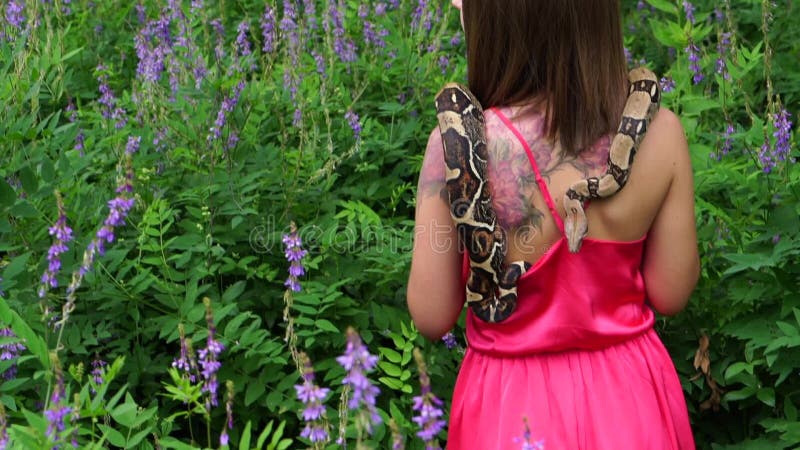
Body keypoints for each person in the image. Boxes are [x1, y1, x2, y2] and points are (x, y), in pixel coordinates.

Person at [406, 1, 700, 449]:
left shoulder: (454, 146)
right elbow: (671, 292)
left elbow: (431, 316)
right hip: (631, 403)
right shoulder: (663, 134)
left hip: (509, 408)